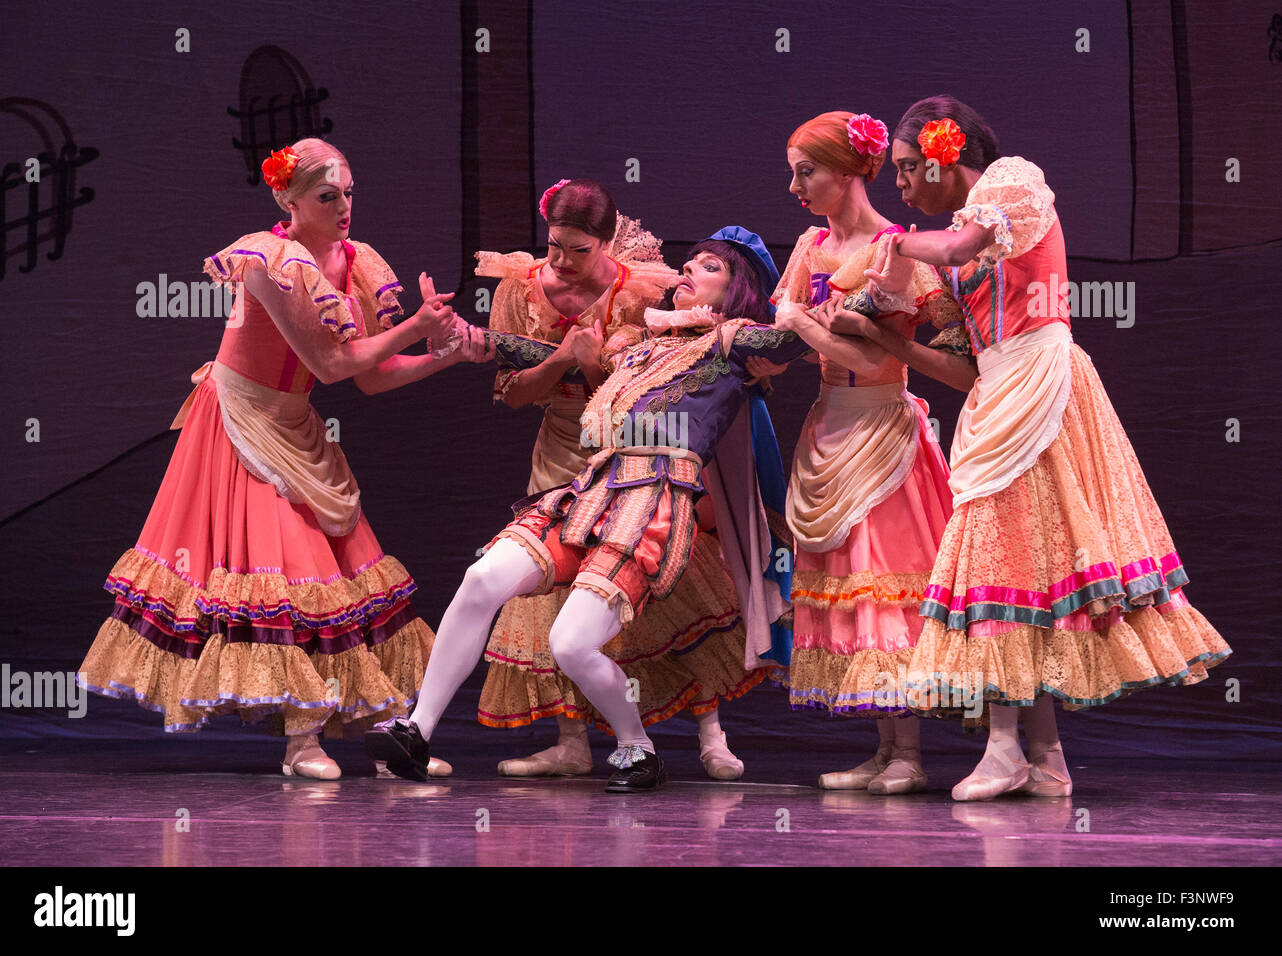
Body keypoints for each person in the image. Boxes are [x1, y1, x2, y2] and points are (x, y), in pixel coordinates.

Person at [828, 96, 1231, 799]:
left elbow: (956, 246)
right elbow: (962, 365)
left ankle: (1007, 746)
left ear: (940, 157)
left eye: (904, 169)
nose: (899, 186)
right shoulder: (955, 241)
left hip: (1043, 383)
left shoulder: (1011, 182)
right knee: (1024, 566)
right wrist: (889, 341)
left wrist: (887, 246)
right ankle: (1044, 757)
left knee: (996, 557)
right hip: (997, 392)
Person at [78, 138, 484, 779]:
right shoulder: (269, 260)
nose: (345, 207)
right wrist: (418, 329)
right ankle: (301, 744)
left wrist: (445, 354)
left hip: (294, 423)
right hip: (242, 423)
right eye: (328, 196)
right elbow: (331, 363)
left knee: (351, 573)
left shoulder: (359, 262)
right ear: (286, 200)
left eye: (349, 193)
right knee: (293, 571)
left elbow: (371, 379)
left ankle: (387, 741)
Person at [367, 227, 815, 792]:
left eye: (708, 267)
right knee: (482, 578)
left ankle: (636, 747)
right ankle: (416, 730)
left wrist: (819, 306)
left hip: (652, 502)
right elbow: (536, 354)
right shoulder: (640, 345)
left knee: (571, 642)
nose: (688, 272)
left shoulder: (735, 345)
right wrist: (468, 335)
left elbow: (791, 341)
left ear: (738, 291)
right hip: (589, 490)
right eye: (690, 262)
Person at [475, 181, 764, 780]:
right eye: (554, 246)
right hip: (566, 443)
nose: (560, 261)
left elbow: (664, 360)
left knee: (668, 577)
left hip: (641, 442)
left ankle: (710, 731)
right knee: (555, 589)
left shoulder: (644, 287)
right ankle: (573, 739)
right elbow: (509, 394)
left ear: (605, 244)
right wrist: (560, 359)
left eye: (577, 250)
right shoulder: (518, 286)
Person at [763, 111, 961, 794]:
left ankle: (909, 752)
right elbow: (783, 333)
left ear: (848, 173)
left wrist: (799, 327)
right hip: (828, 428)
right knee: (848, 589)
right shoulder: (811, 245)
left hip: (881, 431)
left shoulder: (895, 249)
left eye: (805, 171)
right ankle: (882, 747)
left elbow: (875, 358)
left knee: (885, 587)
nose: (795, 186)